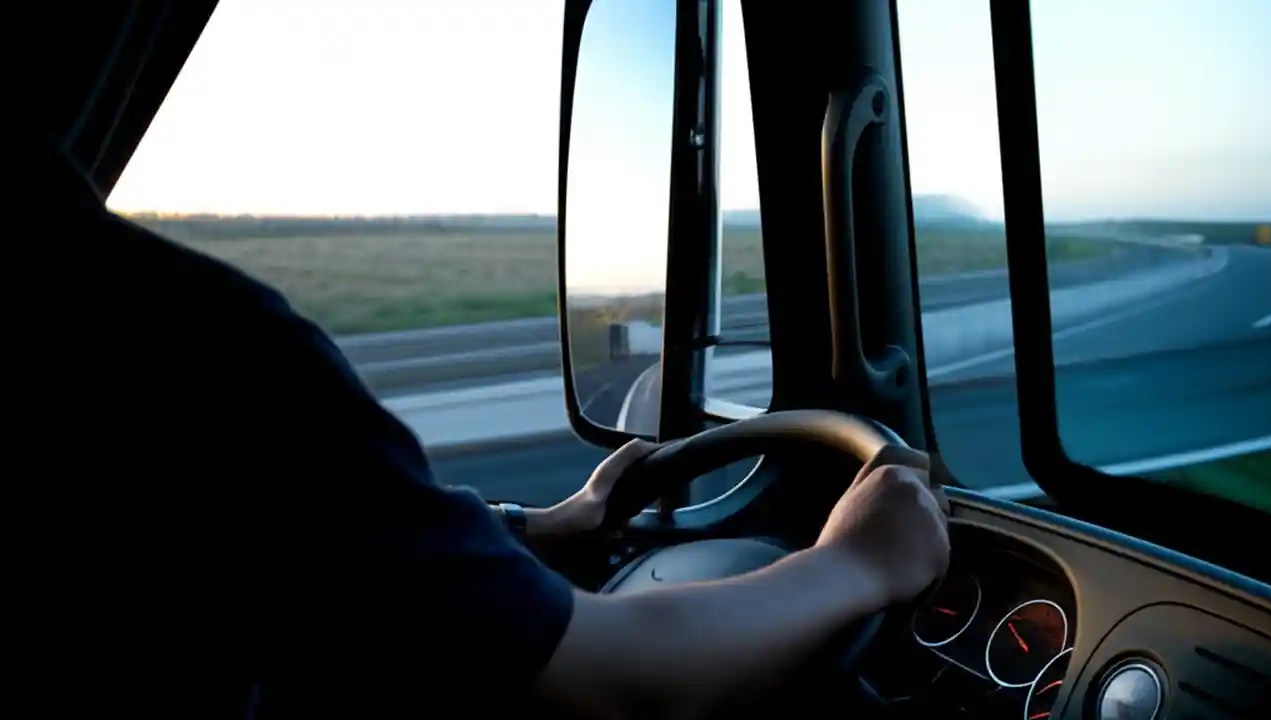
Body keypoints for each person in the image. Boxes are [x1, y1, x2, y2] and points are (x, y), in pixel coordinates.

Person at [36, 141, 949, 718]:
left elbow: (333, 565)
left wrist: (538, 528)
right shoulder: (192, 341)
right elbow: (622, 682)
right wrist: (858, 564)